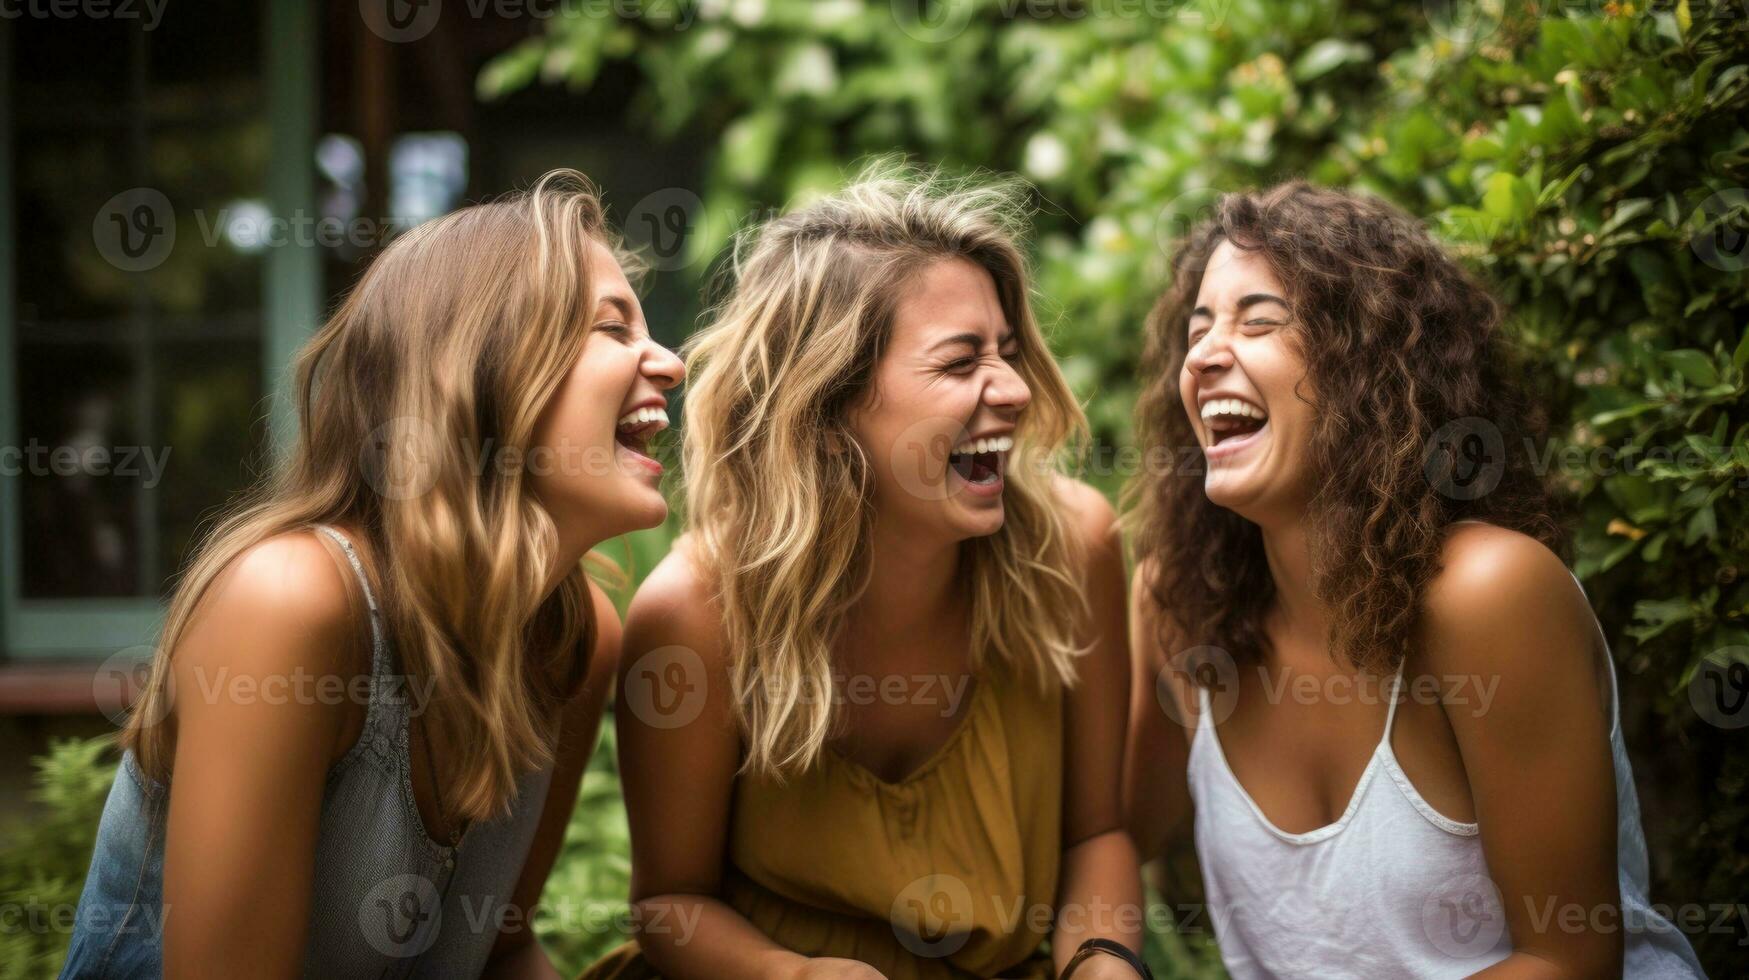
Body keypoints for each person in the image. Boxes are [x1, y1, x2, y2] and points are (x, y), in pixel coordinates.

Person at [62, 170, 684, 978]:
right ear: (477, 367)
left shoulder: (577, 639)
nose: (669, 363)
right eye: (611, 328)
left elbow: (501, 952)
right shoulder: (292, 603)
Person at [1123, 182, 1706, 978]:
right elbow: (1099, 834)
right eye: (1197, 332)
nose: (1202, 356)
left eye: (1257, 321)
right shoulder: (1179, 607)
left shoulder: (1486, 592)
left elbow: (1568, 959)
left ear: (1365, 364)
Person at [581, 166, 1147, 980]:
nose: (1017, 390)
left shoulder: (1071, 548)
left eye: (1008, 353)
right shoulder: (695, 613)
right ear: (826, 405)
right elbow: (672, 901)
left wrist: (1101, 962)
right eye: (960, 364)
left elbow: (1096, 833)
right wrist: (792, 976)